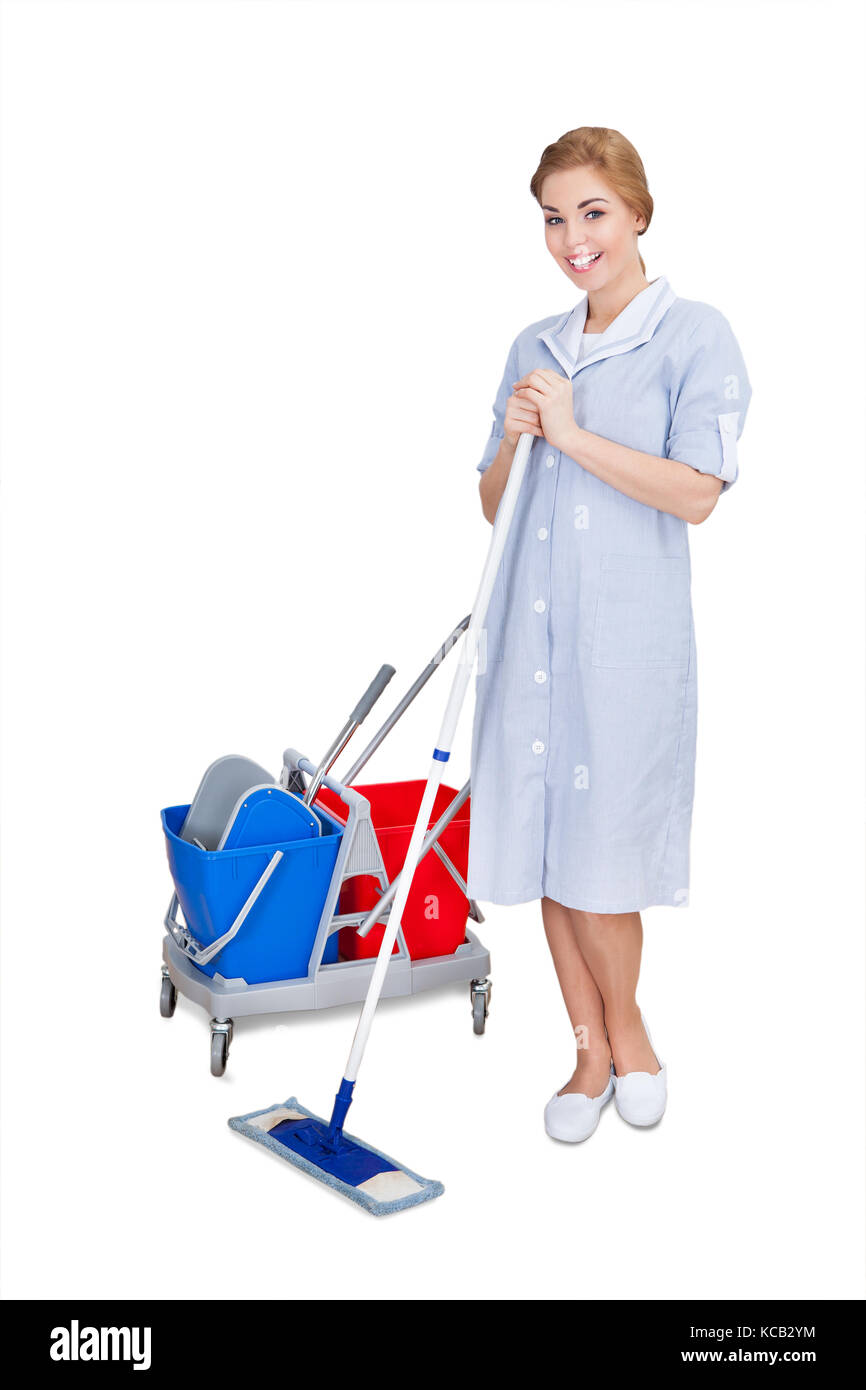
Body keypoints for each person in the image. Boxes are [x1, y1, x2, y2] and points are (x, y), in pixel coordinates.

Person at [467, 126, 751, 1143]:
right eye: (552, 217)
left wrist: (575, 432)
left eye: (590, 211)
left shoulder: (693, 336)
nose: (571, 237)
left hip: (622, 644)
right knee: (546, 850)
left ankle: (625, 1028)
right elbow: (494, 506)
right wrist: (511, 436)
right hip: (527, 635)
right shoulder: (530, 345)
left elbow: (695, 493)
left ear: (635, 212)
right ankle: (588, 1048)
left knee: (601, 854)